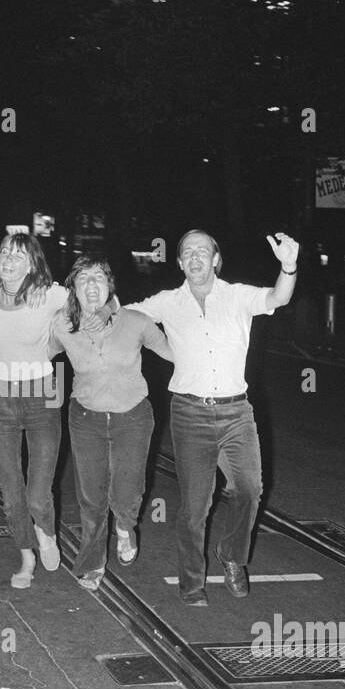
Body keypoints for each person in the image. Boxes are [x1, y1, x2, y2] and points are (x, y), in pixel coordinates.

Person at [127, 229, 299, 606]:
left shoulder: (237, 295)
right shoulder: (168, 302)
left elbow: (278, 297)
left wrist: (288, 267)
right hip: (190, 414)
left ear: (216, 259)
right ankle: (191, 583)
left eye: (202, 251)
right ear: (179, 262)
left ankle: (233, 557)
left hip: (237, 412)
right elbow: (125, 316)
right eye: (187, 252)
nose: (195, 257)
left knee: (249, 490)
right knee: (195, 506)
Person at [52, 255, 173, 590]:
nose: (91, 285)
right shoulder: (62, 324)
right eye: (83, 280)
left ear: (110, 285)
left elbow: (174, 352)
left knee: (128, 490)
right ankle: (92, 563)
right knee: (91, 496)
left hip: (132, 416)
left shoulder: (136, 320)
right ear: (73, 289)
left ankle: (125, 526)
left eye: (98, 278)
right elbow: (34, 355)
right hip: (85, 417)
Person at [0, 232, 70, 589]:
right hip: (1, 398)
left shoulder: (49, 293)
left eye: (19, 255)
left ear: (33, 263)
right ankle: (26, 555)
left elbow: (95, 303)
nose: (9, 260)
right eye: (4, 252)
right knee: (10, 488)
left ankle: (45, 531)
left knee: (38, 491)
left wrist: (54, 347)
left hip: (43, 395)